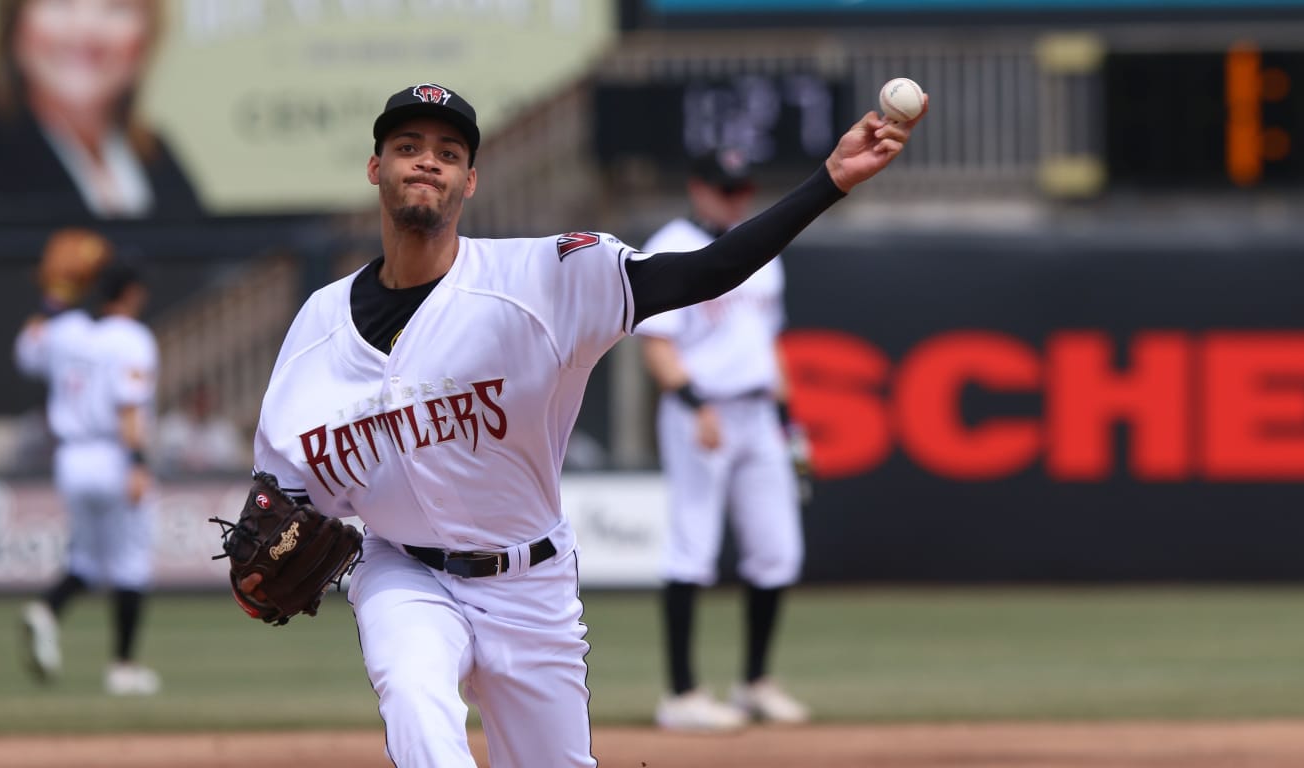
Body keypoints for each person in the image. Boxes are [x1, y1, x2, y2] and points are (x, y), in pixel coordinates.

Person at [242, 82, 924, 766]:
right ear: (375, 168)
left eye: (447, 152)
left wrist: (828, 181)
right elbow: (287, 486)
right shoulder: (318, 329)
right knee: (416, 700)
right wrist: (262, 547)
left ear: (470, 180)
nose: (427, 162)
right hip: (403, 574)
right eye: (407, 147)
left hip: (530, 586)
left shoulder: (541, 279)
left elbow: (704, 273)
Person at [637, 147, 812, 732]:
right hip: (700, 411)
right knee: (693, 545)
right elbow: (656, 344)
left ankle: (755, 682)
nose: (735, 199)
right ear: (698, 188)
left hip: (758, 412)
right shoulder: (672, 243)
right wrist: (693, 404)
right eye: (723, 188)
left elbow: (767, 342)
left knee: (777, 549)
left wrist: (789, 425)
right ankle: (682, 694)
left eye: (741, 189)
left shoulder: (763, 247)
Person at [16, 238, 163, 697]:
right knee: (130, 563)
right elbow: (129, 406)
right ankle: (123, 667)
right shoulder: (131, 338)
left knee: (87, 558)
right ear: (134, 292)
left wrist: (53, 295)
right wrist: (138, 462)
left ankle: (47, 609)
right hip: (112, 455)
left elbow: (26, 352)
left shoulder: (68, 332)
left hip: (69, 457)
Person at [0, 0, 202, 222]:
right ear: (14, 20)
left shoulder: (156, 156)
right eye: (61, 2)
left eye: (117, 5)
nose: (86, 29)